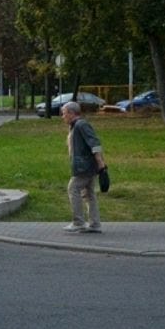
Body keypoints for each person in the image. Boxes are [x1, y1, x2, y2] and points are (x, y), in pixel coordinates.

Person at [60, 100, 106, 234]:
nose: (63, 117)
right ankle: (94, 224)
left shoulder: (81, 125)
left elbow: (94, 142)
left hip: (84, 167)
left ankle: (78, 222)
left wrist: (100, 162)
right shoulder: (75, 126)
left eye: (64, 114)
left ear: (71, 113)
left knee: (73, 188)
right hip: (87, 165)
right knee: (89, 194)